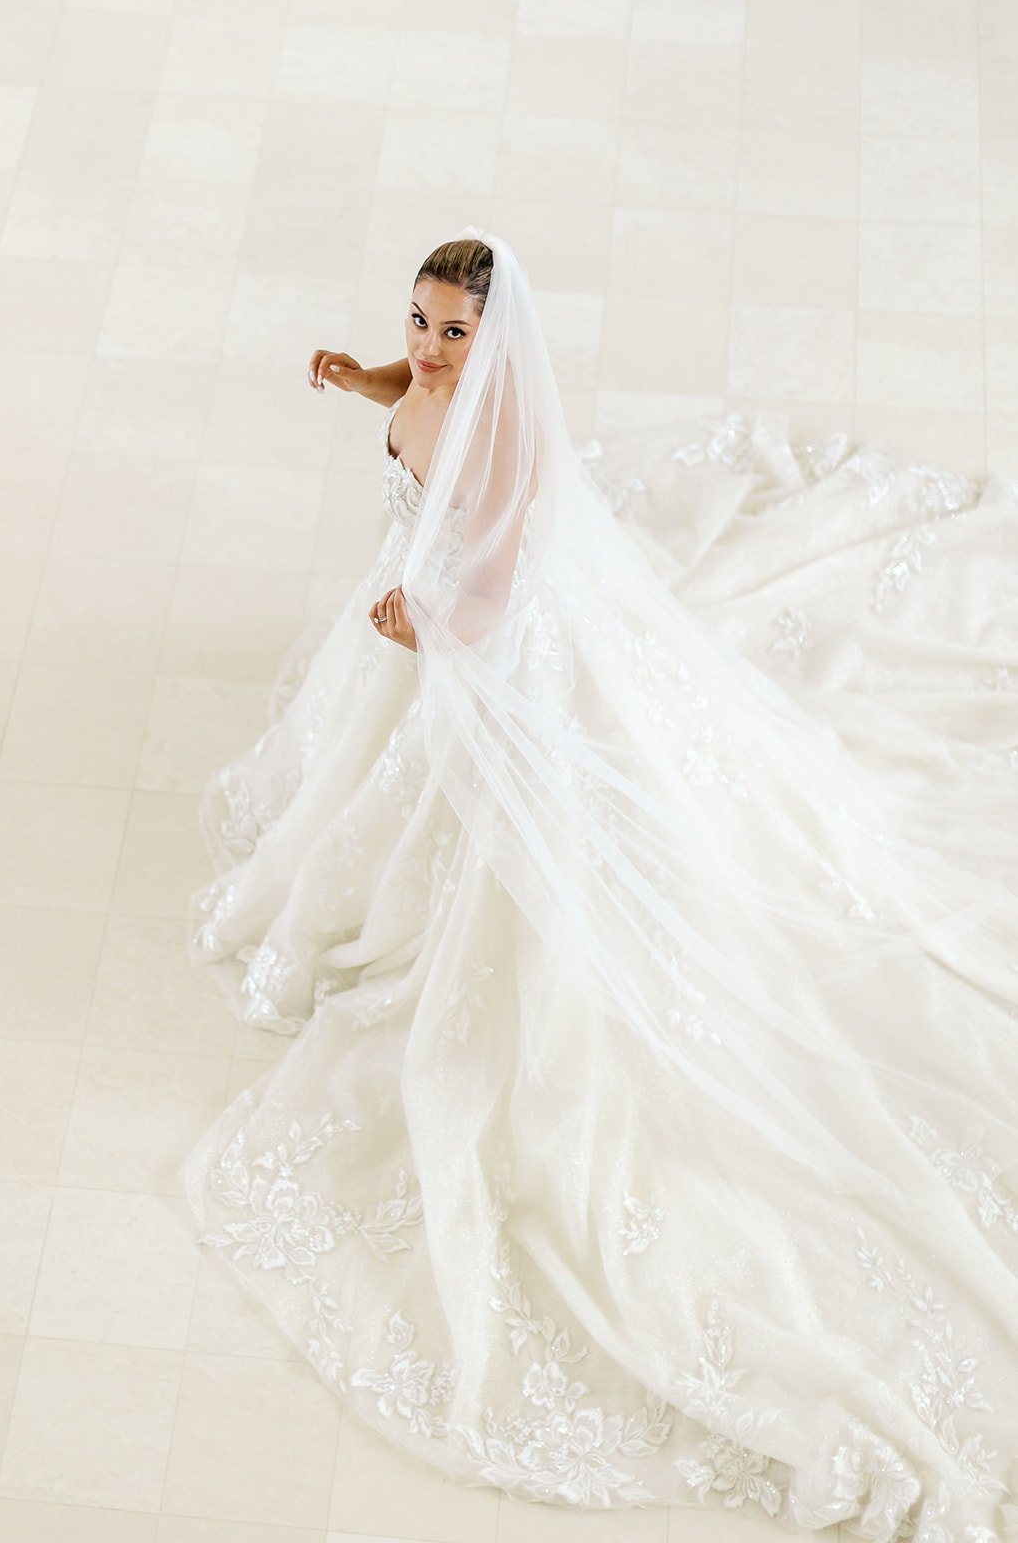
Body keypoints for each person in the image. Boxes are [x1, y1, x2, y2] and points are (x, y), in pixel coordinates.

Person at [182, 228, 1018, 1536]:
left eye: (453, 330)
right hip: (416, 626)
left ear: (497, 342)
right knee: (373, 777)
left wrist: (431, 612)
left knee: (495, 838)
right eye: (418, 318)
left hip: (481, 640)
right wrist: (360, 380)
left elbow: (505, 566)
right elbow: (416, 405)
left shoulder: (507, 436)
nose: (429, 344)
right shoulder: (425, 383)